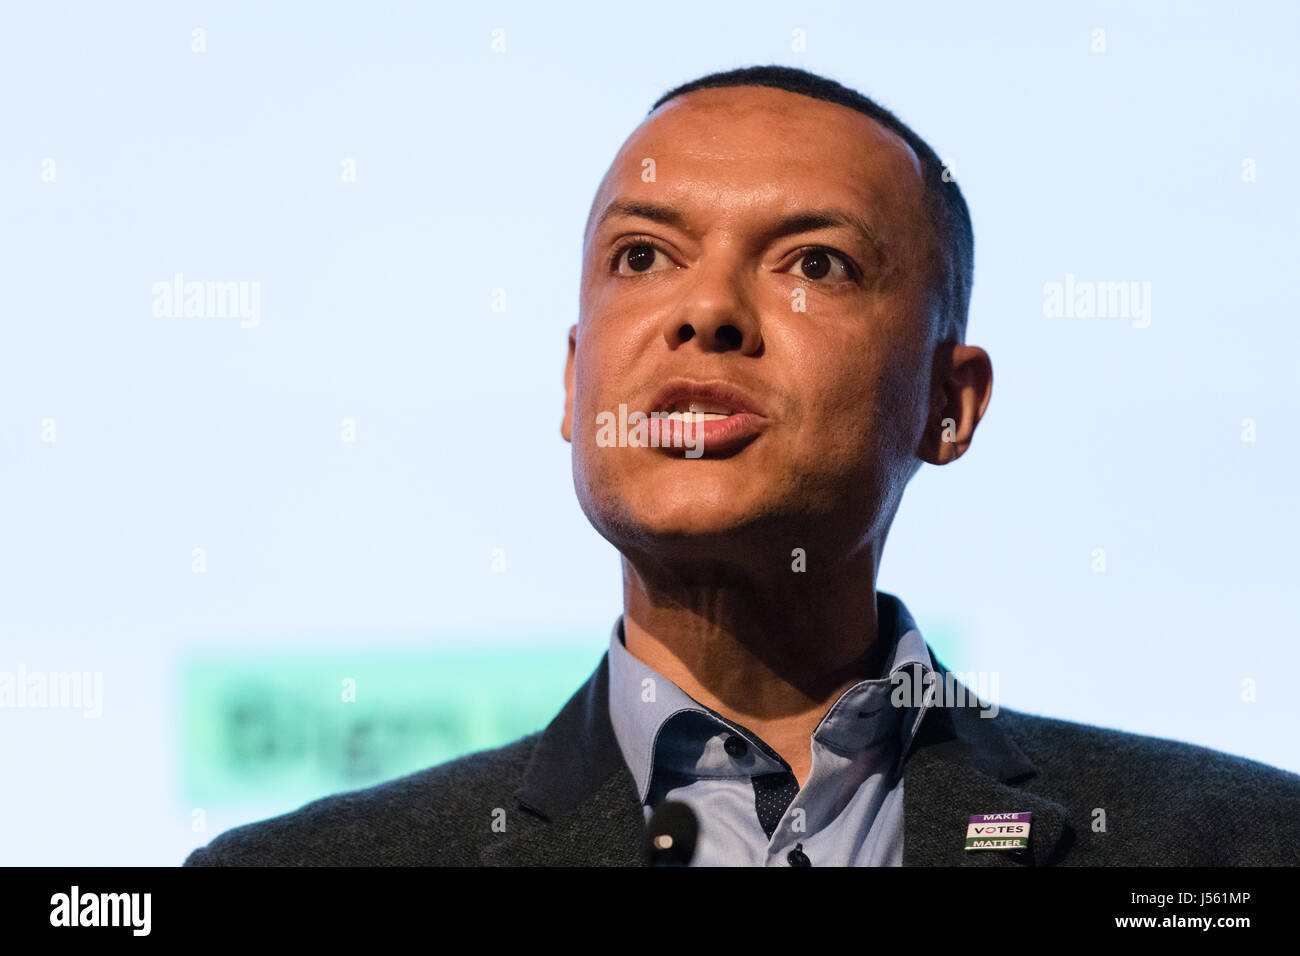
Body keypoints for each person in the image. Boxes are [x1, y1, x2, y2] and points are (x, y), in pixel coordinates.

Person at [185, 65, 1300, 867]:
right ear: (575, 382)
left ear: (950, 404)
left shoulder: (1239, 847)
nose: (705, 311)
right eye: (641, 256)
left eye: (814, 262)